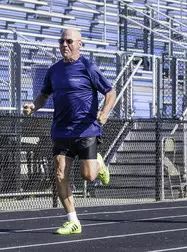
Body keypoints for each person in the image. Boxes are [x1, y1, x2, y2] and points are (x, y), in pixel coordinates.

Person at [23, 29, 116, 235]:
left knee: (88, 175)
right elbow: (44, 94)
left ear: (79, 44)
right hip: (61, 130)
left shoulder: (88, 67)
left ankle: (98, 163)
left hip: (86, 129)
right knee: (59, 174)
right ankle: (72, 220)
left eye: (69, 41)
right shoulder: (54, 70)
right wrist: (33, 106)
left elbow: (110, 91)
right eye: (61, 41)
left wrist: (105, 111)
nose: (64, 44)